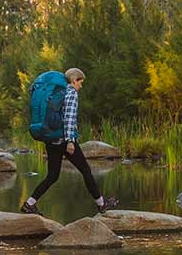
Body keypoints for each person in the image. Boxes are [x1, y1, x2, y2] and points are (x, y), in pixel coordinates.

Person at [23, 67, 115, 215]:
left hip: (51, 139)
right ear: (74, 80)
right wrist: (71, 141)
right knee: (86, 170)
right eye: (80, 82)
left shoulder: (58, 93)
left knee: (52, 176)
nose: (81, 85)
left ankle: (29, 203)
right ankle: (101, 204)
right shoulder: (71, 93)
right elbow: (69, 118)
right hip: (65, 140)